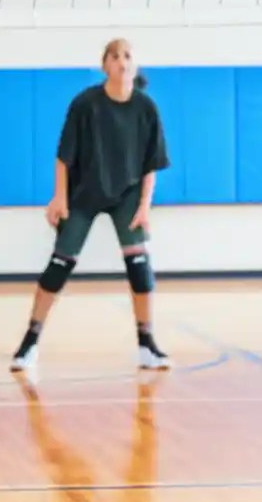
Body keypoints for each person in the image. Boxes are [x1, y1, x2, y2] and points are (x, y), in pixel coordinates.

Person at [10, 38, 172, 373]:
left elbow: (150, 165)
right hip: (84, 193)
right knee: (58, 267)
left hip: (127, 195)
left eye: (128, 55)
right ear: (105, 65)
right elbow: (63, 157)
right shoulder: (85, 104)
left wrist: (144, 206)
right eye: (115, 57)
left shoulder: (146, 108)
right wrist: (59, 197)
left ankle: (146, 344)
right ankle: (29, 343)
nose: (122, 62)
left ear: (135, 64)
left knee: (140, 269)